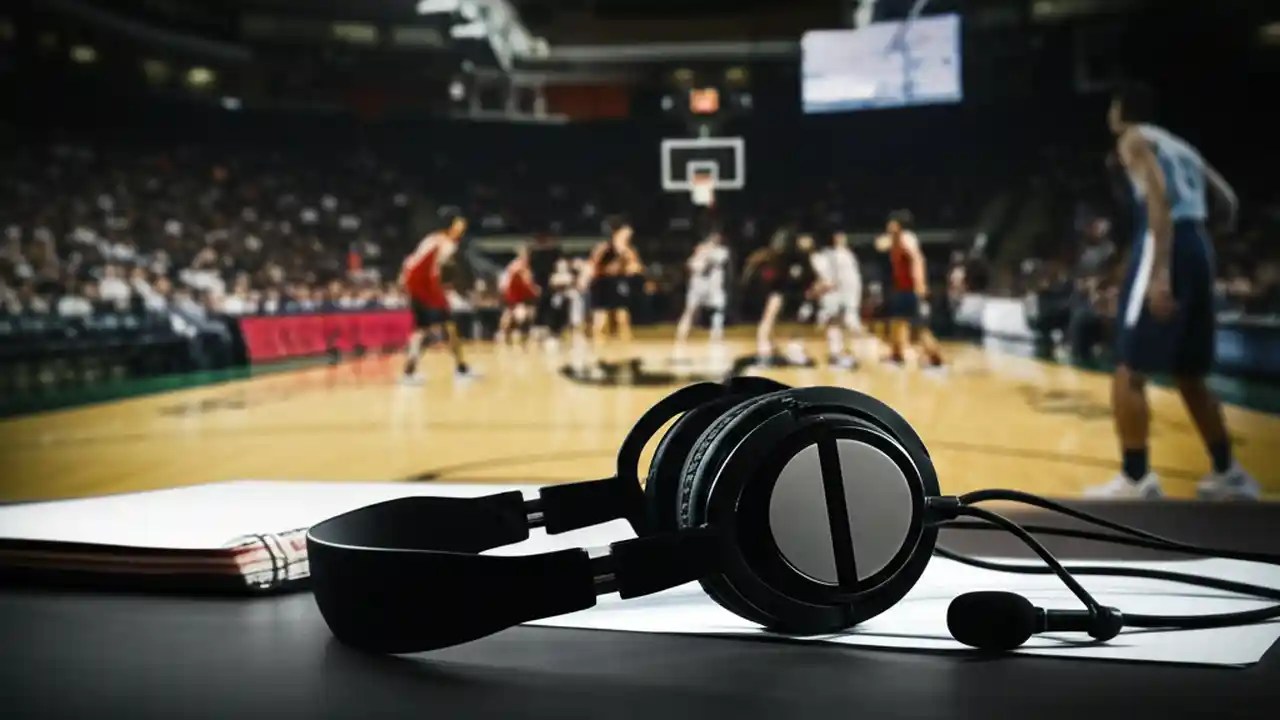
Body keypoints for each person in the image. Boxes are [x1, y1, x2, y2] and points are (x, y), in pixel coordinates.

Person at [1084, 82, 1258, 500]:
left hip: (1165, 240)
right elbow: (1228, 203)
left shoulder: (1133, 138)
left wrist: (1161, 270)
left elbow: (1158, 199)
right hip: (1198, 245)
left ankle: (1136, 477)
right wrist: (1195, 241)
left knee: (1128, 367)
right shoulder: (1181, 146)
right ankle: (1228, 471)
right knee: (1190, 372)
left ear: (1121, 109)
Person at [399, 212, 474, 383]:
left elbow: (412, 261)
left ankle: (408, 372)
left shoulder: (431, 238)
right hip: (428, 285)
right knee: (450, 325)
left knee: (421, 329)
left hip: (411, 281)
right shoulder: (447, 243)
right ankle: (461, 368)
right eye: (459, 228)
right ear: (452, 228)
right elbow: (443, 262)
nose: (461, 232)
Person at [880, 210, 944, 368]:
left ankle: (935, 357)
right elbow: (880, 245)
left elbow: (917, 260)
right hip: (900, 289)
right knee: (897, 322)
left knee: (917, 327)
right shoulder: (896, 240)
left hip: (910, 289)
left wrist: (920, 284)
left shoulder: (907, 239)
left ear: (898, 225)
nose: (888, 225)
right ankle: (897, 355)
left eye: (891, 223)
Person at [812, 230, 865, 369]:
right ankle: (839, 354)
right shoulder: (825, 256)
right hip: (838, 293)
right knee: (837, 323)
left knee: (844, 323)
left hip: (843, 293)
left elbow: (850, 279)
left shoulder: (842, 255)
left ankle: (846, 354)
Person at [587, 216, 640, 348]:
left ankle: (626, 348)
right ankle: (598, 348)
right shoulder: (603, 248)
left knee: (622, 317)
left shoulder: (628, 251)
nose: (628, 237)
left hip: (617, 282)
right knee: (601, 319)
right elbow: (593, 265)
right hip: (602, 282)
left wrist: (627, 262)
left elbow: (635, 267)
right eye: (625, 234)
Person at [675, 230, 730, 346]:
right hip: (697, 287)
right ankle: (681, 337)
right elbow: (692, 266)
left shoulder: (722, 252)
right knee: (690, 311)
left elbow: (715, 260)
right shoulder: (698, 252)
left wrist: (705, 251)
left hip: (714, 288)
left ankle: (717, 337)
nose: (715, 240)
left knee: (718, 311)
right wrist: (700, 254)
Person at [497, 246, 540, 346]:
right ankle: (508, 338)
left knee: (525, 316)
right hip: (513, 297)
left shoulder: (523, 267)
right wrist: (534, 290)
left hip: (519, 297)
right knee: (518, 317)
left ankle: (517, 339)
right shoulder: (517, 267)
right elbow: (526, 283)